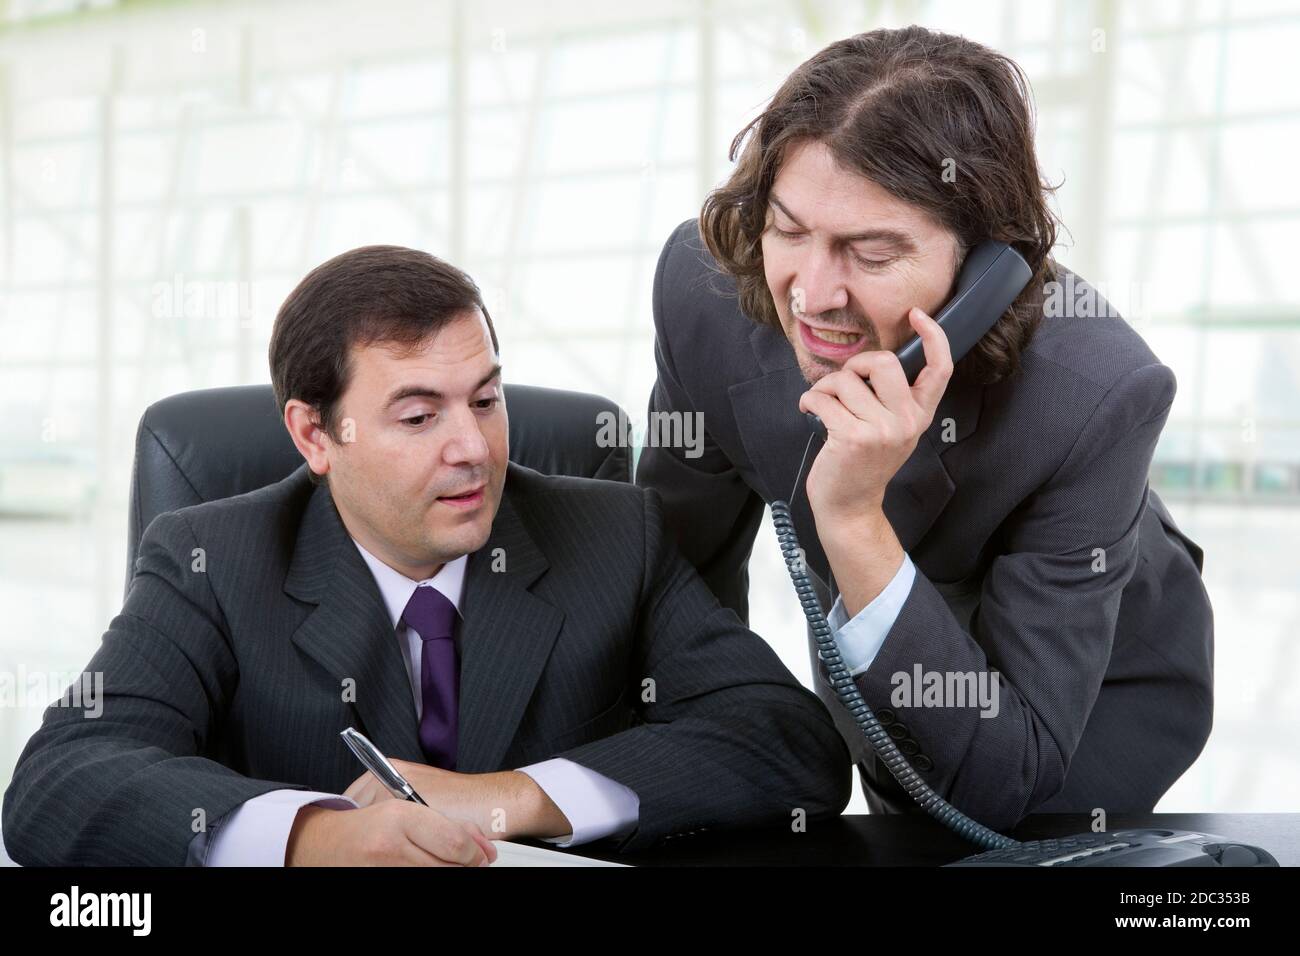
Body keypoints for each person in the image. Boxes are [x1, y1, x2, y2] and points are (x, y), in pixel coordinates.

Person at [2, 245, 850, 866]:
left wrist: (514, 797)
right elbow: (60, 780)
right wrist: (317, 836)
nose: (472, 449)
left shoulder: (610, 533)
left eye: (486, 399)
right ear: (314, 434)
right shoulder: (210, 559)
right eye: (418, 417)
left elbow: (788, 743)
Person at [636, 26, 1213, 830]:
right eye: (790, 230)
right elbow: (671, 569)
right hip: (891, 631)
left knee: (995, 831)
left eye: (870, 253)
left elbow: (1007, 774)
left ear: (985, 264)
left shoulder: (1097, 392)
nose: (812, 295)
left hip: (1094, 682)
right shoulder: (702, 297)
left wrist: (849, 516)